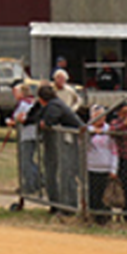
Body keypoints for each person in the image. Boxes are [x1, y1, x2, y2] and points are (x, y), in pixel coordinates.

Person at [30, 84, 84, 212]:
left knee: (66, 173)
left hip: (69, 141)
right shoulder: (49, 105)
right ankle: (57, 204)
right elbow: (36, 117)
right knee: (53, 172)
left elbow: (49, 121)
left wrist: (44, 122)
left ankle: (68, 206)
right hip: (60, 142)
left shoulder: (55, 105)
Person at [5, 83, 38, 210]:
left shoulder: (24, 105)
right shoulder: (30, 103)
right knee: (28, 160)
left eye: (16, 92)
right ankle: (34, 181)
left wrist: (11, 122)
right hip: (30, 135)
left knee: (26, 161)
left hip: (27, 136)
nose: (14, 94)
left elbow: (19, 118)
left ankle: (31, 184)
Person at [84, 111, 118, 225]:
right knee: (92, 194)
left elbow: (114, 151)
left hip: (105, 166)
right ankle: (94, 217)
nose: (99, 119)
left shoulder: (109, 130)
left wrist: (113, 168)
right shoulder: (86, 129)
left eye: (102, 116)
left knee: (103, 194)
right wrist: (92, 132)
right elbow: (82, 144)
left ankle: (104, 218)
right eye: (96, 116)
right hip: (91, 166)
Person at [110, 104, 127, 221]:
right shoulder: (116, 122)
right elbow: (112, 131)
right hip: (124, 159)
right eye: (124, 112)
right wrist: (125, 123)